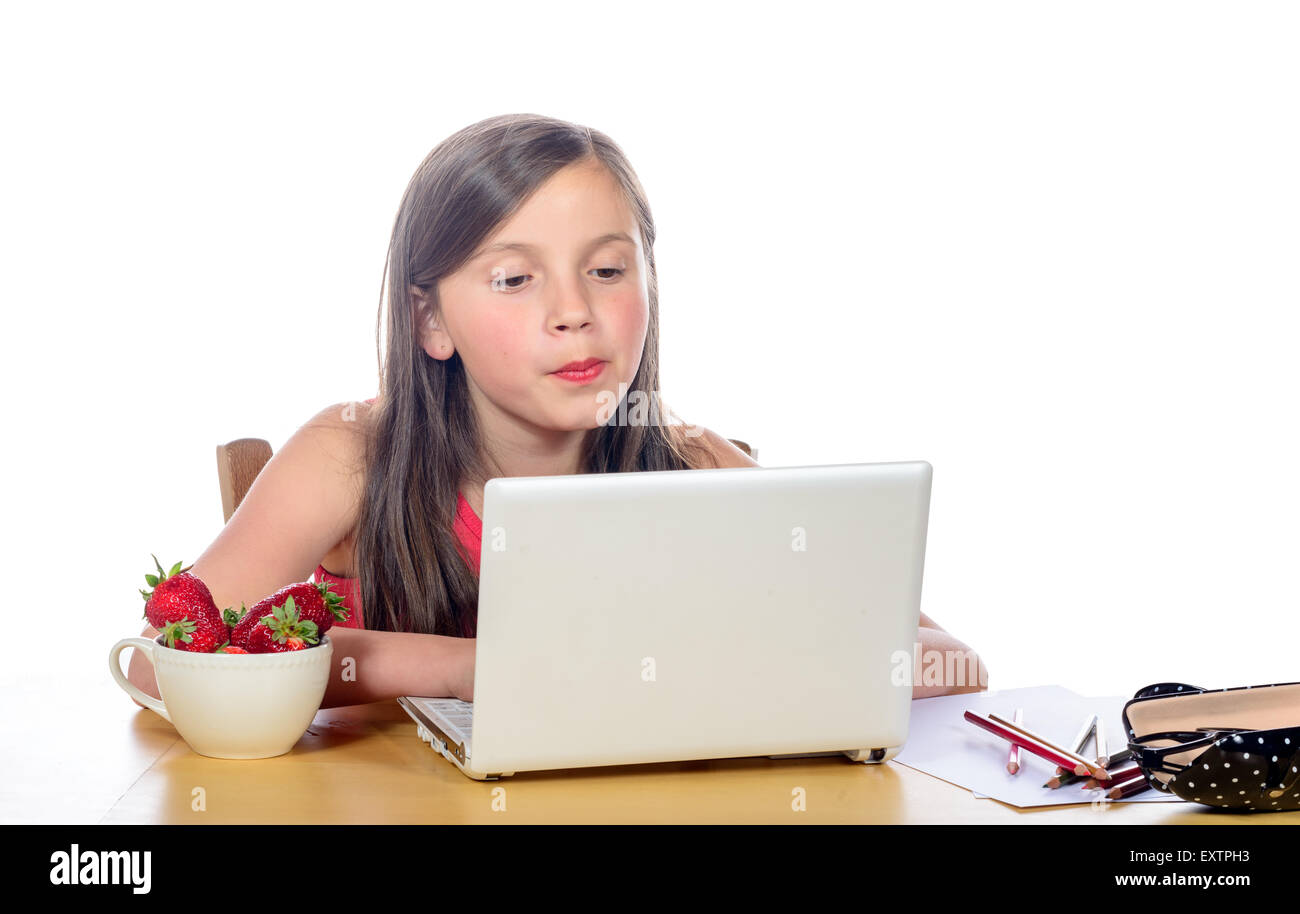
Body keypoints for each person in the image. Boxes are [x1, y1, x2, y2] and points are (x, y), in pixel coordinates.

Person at [128, 113, 987, 708]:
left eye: (607, 270)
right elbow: (161, 666)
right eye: (514, 278)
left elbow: (954, 663)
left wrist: (755, 659)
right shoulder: (354, 455)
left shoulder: (696, 470)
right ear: (431, 319)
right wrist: (470, 671)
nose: (572, 310)